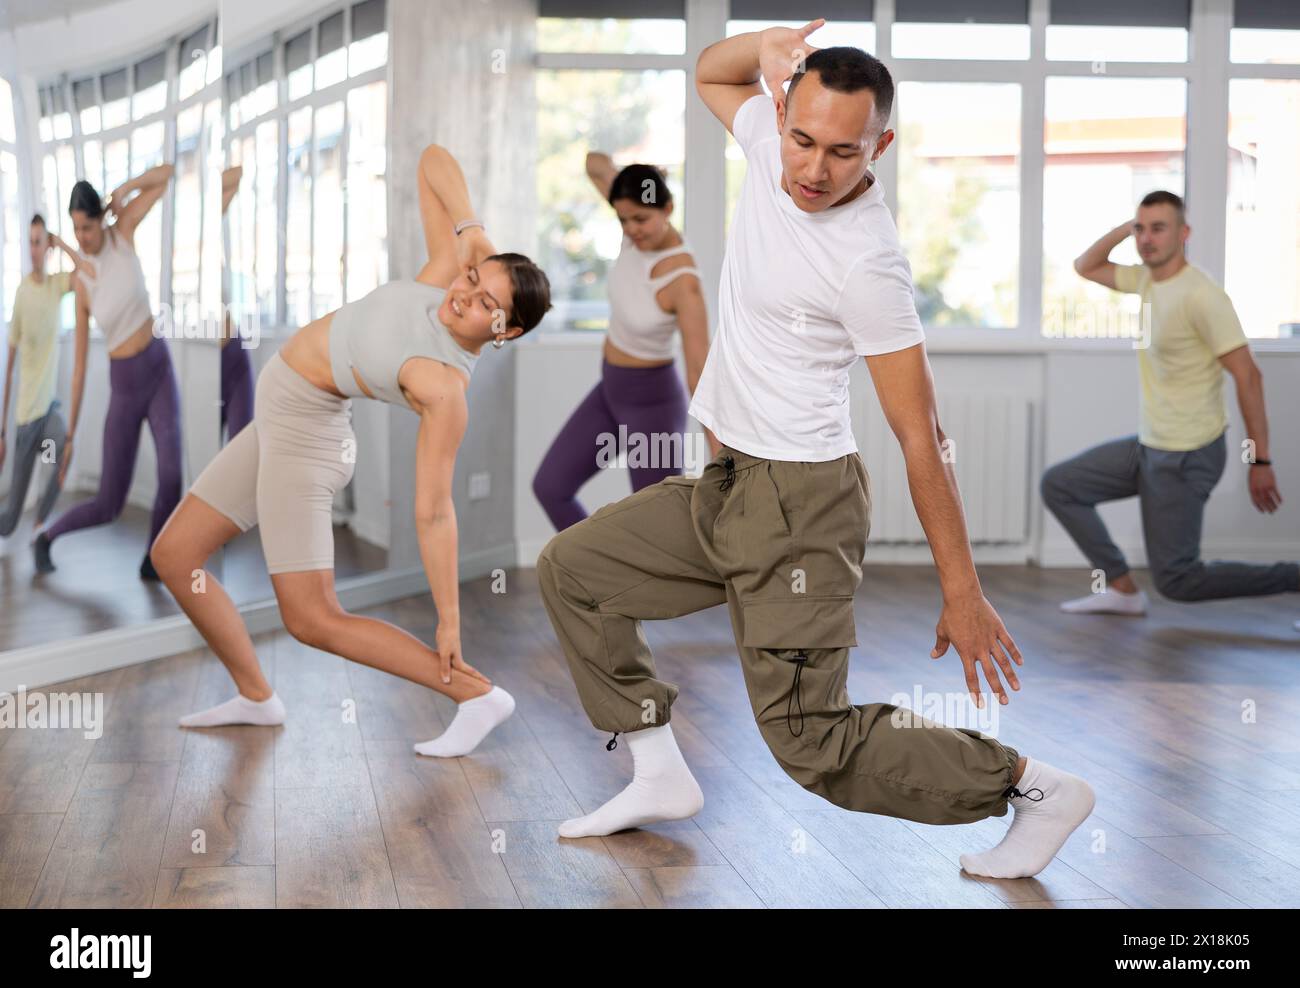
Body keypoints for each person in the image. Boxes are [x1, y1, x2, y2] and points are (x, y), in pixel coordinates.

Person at [536, 22, 1095, 881]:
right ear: (783, 114)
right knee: (573, 569)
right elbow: (709, 76)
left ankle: (1029, 787)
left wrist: (963, 589)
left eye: (842, 151)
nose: (813, 169)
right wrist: (761, 44)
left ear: (881, 145)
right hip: (725, 485)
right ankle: (656, 772)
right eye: (802, 138)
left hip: (801, 507)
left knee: (810, 740)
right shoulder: (770, 145)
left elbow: (922, 436)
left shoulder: (869, 263)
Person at [150, 143, 552, 759]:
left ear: (507, 332)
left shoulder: (443, 384)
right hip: (280, 421)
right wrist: (473, 233)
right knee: (177, 556)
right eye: (472, 281)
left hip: (305, 438)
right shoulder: (441, 280)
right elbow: (432, 158)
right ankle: (257, 697)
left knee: (312, 619)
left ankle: (475, 694)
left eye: (487, 306)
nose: (465, 297)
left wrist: (448, 618)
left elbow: (435, 511)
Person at [1044, 190, 1299, 623]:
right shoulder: (1145, 280)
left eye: (1158, 228)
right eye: (1140, 229)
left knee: (1179, 581)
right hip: (1151, 446)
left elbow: (1249, 376)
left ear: (1184, 233)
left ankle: (1295, 578)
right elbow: (1085, 266)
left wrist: (1261, 460)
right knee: (1062, 485)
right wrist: (1129, 228)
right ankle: (1122, 589)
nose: (1146, 239)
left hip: (1187, 454)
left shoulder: (1202, 296)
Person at [532, 157, 715, 530]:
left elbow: (700, 373)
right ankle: (598, 579)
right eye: (623, 220)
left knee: (658, 528)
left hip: (653, 408)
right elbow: (592, 163)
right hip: (610, 393)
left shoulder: (684, 282)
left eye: (641, 220)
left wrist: (721, 458)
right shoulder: (635, 226)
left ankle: (665, 589)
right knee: (550, 487)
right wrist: (637, 180)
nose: (631, 230)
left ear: (668, 209)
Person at [32, 168, 181, 580]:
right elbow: (78, 367)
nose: (82, 237)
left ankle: (154, 559)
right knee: (110, 503)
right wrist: (72, 435)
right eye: (76, 229)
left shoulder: (123, 233)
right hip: (125, 385)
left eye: (88, 226)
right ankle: (46, 537)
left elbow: (166, 176)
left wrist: (125, 190)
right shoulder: (81, 284)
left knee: (172, 473)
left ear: (101, 219)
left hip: (157, 367)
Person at [1, 216, 95, 538]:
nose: (34, 249)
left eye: (40, 241)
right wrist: (2, 431)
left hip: (48, 417)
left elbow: (85, 270)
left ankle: (41, 527)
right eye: (30, 241)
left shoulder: (56, 286)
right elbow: (9, 368)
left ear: (47, 246)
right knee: (10, 518)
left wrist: (62, 242)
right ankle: (22, 523)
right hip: (27, 423)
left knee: (57, 459)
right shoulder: (22, 294)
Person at [219, 165, 254, 441]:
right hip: (203, 364)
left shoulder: (207, 233)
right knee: (206, 465)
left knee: (241, 449)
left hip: (233, 354)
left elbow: (237, 174)